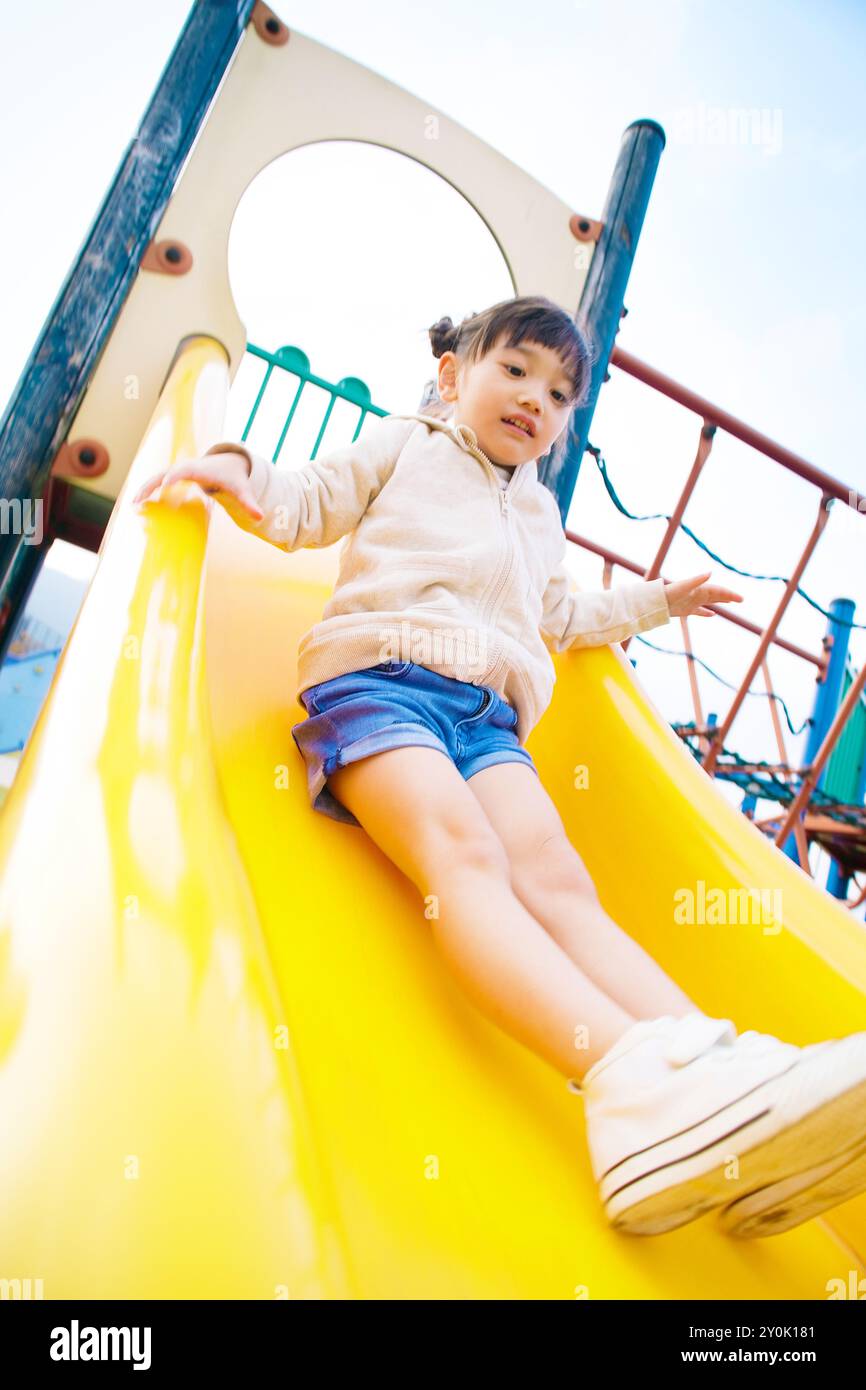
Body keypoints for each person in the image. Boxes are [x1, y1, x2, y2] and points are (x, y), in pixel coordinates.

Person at [134, 295, 866, 1240]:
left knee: (563, 884)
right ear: (454, 376)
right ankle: (625, 1080)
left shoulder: (540, 512)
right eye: (514, 370)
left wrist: (657, 604)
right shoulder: (408, 444)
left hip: (490, 723)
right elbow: (308, 502)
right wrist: (234, 467)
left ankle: (731, 1080)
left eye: (560, 393)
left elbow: (558, 615)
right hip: (381, 685)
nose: (536, 400)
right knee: (467, 860)